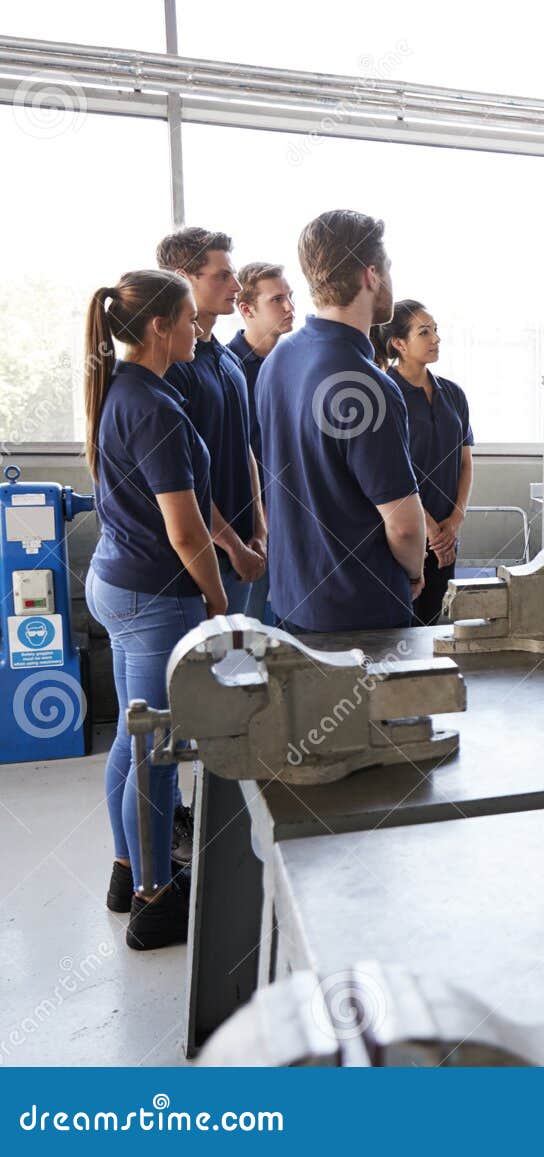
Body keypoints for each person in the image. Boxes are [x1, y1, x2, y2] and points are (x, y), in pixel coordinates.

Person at [82, 271, 228, 951]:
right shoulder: (157, 407)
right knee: (157, 753)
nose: (200, 329)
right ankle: (154, 899)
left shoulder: (127, 390)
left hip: (116, 581)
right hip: (151, 594)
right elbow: (185, 530)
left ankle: (126, 873)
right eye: (191, 319)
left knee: (132, 738)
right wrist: (218, 596)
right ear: (163, 327)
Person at [256, 210, 425, 633]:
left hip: (291, 601)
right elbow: (404, 527)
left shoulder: (278, 359)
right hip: (359, 615)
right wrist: (414, 571)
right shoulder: (367, 385)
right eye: (387, 269)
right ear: (371, 275)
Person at [156, 229, 266, 615]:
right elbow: (179, 478)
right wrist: (231, 544)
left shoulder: (229, 358)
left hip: (243, 552)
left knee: (236, 668)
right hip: (202, 561)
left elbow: (245, 450)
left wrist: (259, 530)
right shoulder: (172, 367)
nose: (236, 285)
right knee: (199, 674)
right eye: (222, 276)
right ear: (184, 278)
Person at [371, 301, 475, 626]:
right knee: (402, 628)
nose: (435, 338)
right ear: (399, 344)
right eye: (424, 332)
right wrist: (430, 528)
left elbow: (465, 461)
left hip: (447, 535)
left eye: (436, 330)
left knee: (434, 628)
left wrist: (455, 521)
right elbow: (390, 469)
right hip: (405, 534)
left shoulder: (453, 394)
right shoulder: (385, 394)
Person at [227, 262, 296, 622]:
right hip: (253, 529)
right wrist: (263, 527)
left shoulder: (297, 365)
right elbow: (238, 453)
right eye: (277, 300)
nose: (289, 308)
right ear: (247, 309)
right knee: (247, 637)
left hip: (299, 519)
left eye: (290, 297)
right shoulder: (227, 367)